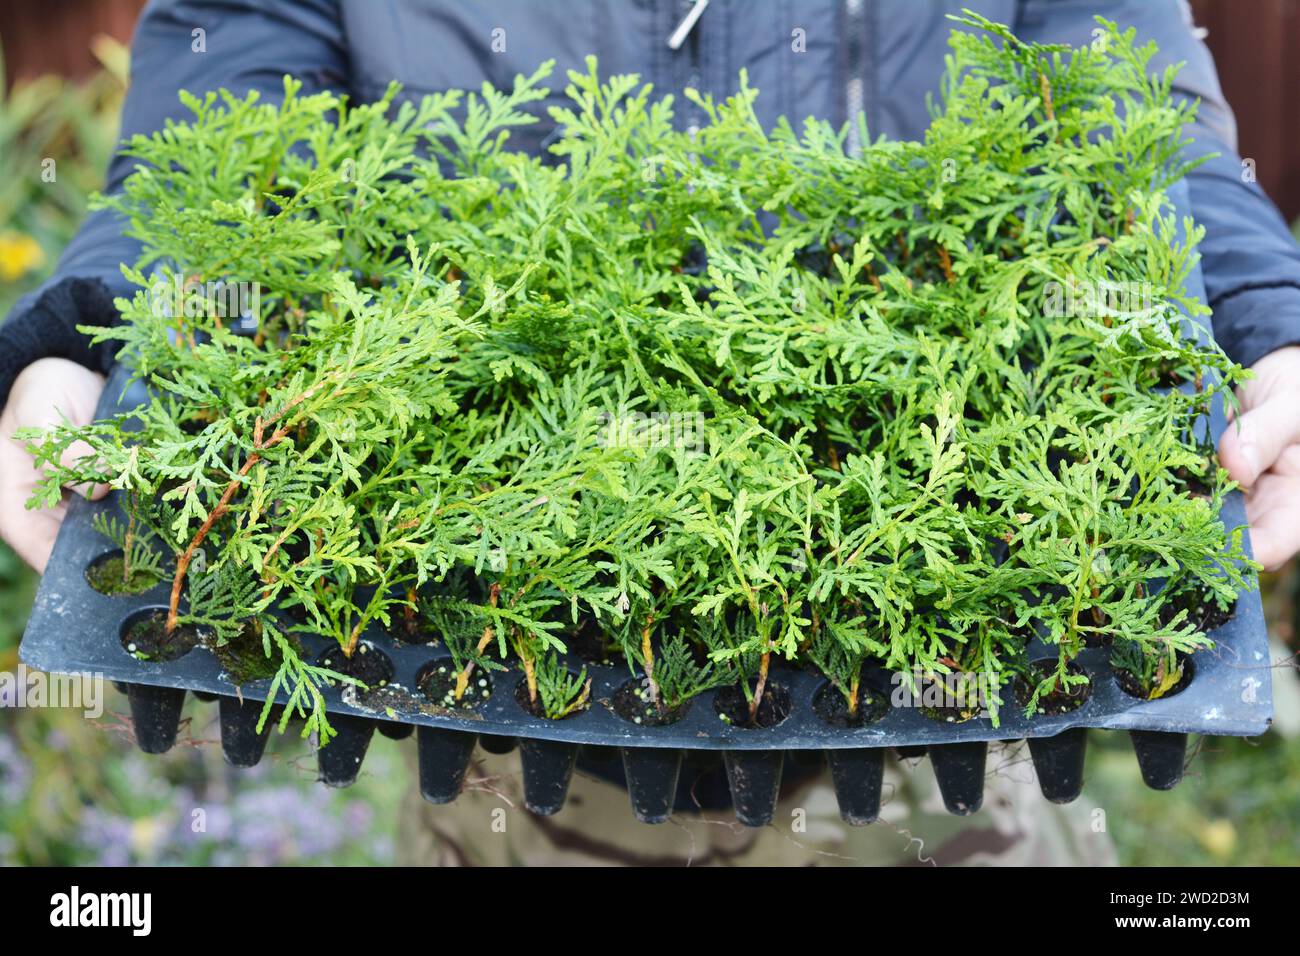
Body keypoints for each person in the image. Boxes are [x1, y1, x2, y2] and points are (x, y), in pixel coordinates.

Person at [1, 0, 1295, 866]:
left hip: (940, 740)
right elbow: (223, 152)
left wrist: (1265, 322)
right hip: (506, 744)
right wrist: (90, 337)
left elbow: (1136, 131)